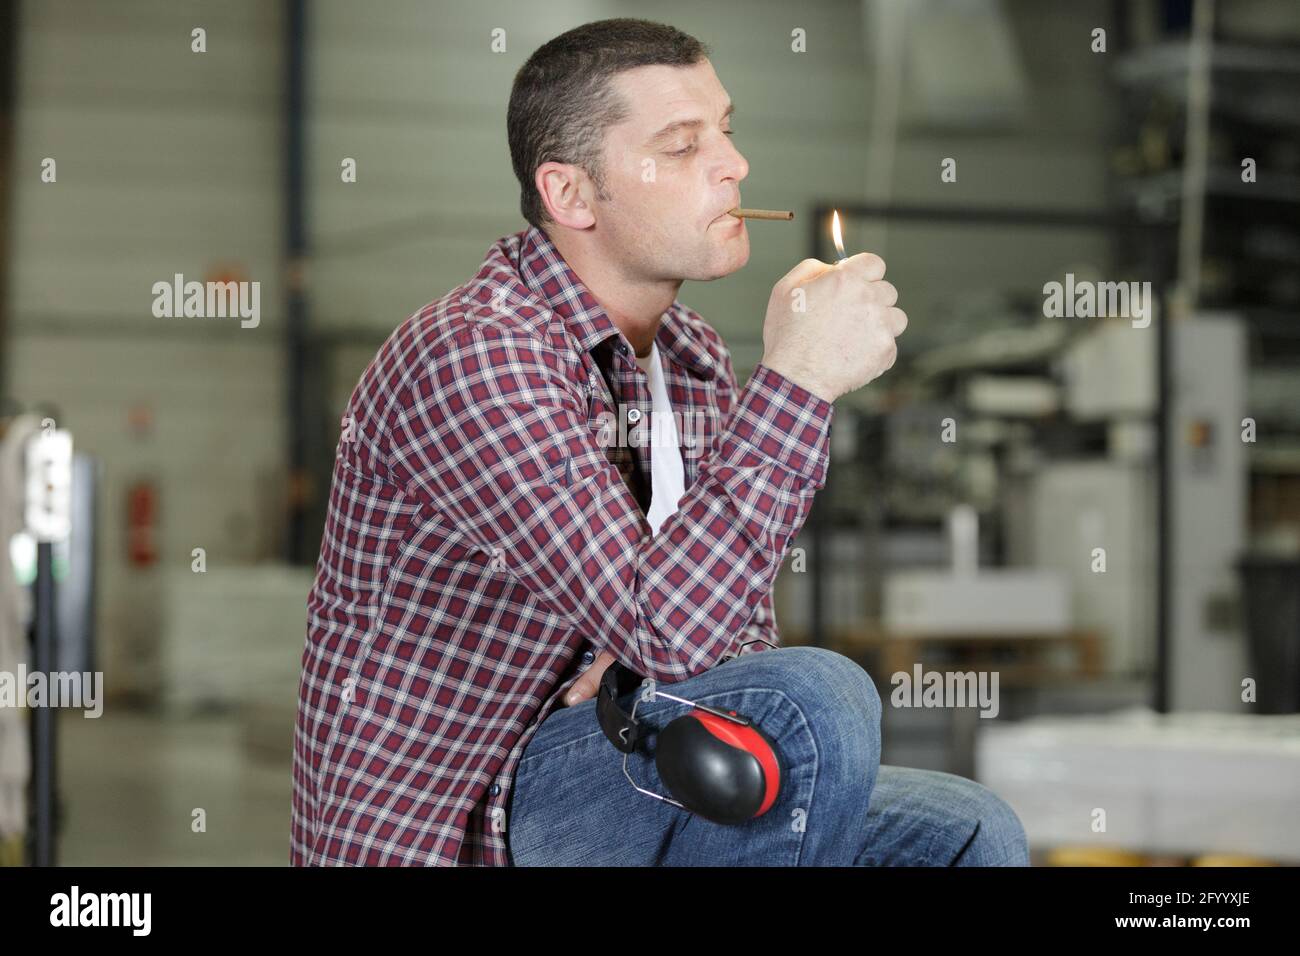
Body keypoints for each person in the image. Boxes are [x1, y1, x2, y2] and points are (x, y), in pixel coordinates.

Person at [290, 17, 1029, 867]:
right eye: (682, 147)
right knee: (815, 700)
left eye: (727, 130)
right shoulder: (476, 352)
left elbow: (726, 639)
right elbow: (669, 627)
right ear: (572, 196)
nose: (734, 165)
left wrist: (637, 668)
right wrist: (799, 384)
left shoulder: (690, 357)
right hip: (469, 816)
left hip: (609, 752)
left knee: (966, 831)